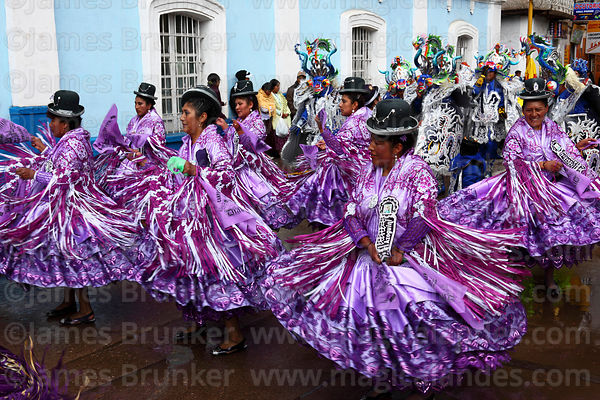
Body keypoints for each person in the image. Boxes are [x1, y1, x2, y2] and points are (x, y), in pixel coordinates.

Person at [263, 99, 527, 399]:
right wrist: (365, 242)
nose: (371, 147)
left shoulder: (417, 173)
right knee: (370, 323)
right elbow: (351, 211)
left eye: (377, 142)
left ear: (397, 147)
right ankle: (386, 380)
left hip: (408, 261)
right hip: (366, 258)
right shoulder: (366, 171)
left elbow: (425, 215)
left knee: (412, 320)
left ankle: (413, 377)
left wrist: (400, 249)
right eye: (371, 140)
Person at [138, 85, 281, 354]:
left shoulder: (212, 140)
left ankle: (234, 333)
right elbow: (177, 173)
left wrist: (195, 170)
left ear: (202, 117)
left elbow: (226, 175)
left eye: (186, 112)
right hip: (189, 216)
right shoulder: (187, 143)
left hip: (213, 221)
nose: (181, 117)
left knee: (217, 271)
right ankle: (197, 319)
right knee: (190, 269)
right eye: (181, 112)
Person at [439, 78, 600, 298]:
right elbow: (511, 162)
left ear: (546, 108)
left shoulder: (552, 127)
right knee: (516, 234)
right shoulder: (517, 131)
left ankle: (548, 278)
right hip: (521, 190)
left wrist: (576, 147)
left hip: (551, 189)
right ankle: (512, 278)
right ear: (523, 109)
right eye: (529, 110)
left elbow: (563, 149)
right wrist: (542, 165)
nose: (534, 114)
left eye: (539, 109)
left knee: (552, 235)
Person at [0, 90, 149, 325]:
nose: (50, 125)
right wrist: (44, 151)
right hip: (64, 206)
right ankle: (69, 301)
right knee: (62, 255)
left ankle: (86, 309)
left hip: (75, 210)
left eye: (53, 121)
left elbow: (66, 177)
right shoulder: (71, 141)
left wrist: (33, 174)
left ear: (66, 124)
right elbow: (60, 164)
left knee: (75, 258)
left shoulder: (74, 144)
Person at [285, 77, 372, 226]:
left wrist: (322, 129)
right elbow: (349, 145)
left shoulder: (353, 123)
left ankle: (327, 220)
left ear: (355, 104)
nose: (339, 105)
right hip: (366, 168)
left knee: (324, 176)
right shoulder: (367, 114)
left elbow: (340, 150)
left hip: (354, 172)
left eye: (344, 101)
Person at [93, 82, 177, 219]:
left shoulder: (156, 121)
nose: (137, 107)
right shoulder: (133, 121)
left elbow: (160, 145)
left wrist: (144, 142)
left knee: (143, 200)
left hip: (147, 165)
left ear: (149, 105)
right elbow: (129, 141)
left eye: (140, 104)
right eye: (135, 103)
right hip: (130, 161)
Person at [218, 80, 294, 229]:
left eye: (240, 104)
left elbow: (253, 146)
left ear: (250, 104)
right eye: (236, 104)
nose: (237, 107)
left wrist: (239, 131)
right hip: (238, 174)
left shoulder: (257, 122)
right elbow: (232, 144)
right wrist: (227, 129)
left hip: (253, 175)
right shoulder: (238, 121)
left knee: (263, 215)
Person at [268, 78, 291, 157]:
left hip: (285, 118)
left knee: (286, 134)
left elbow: (285, 104)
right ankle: (279, 152)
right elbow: (271, 107)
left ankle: (285, 151)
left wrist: (286, 112)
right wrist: (281, 114)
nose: (278, 88)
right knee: (278, 135)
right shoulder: (270, 96)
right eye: (277, 86)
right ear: (273, 87)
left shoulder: (280, 94)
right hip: (276, 118)